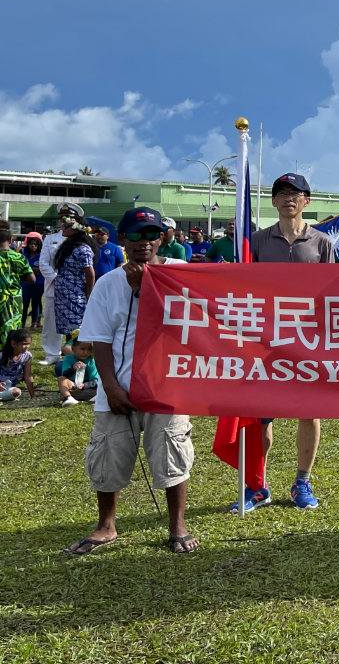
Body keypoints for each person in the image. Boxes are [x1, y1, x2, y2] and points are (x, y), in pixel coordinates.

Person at [62, 206, 198, 556]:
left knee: (172, 453)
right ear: (122, 239)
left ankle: (177, 524)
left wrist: (147, 288)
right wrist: (110, 388)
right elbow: (99, 340)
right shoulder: (108, 283)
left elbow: (197, 320)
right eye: (135, 235)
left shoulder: (182, 273)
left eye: (152, 234)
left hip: (167, 388)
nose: (144, 242)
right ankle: (106, 525)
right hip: (118, 388)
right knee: (107, 457)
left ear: (163, 238)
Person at [240, 173, 335, 513]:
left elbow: (332, 293)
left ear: (307, 201)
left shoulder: (322, 243)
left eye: (295, 193)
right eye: (281, 193)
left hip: (308, 339)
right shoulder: (256, 241)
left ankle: (302, 482)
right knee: (261, 416)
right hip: (265, 340)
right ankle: (257, 484)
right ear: (273, 202)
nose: (288, 198)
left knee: (308, 412)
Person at [53, 211, 96, 363]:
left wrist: (90, 294)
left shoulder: (83, 248)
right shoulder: (68, 245)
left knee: (76, 327)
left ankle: (80, 356)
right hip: (63, 295)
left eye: (67, 225)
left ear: (78, 228)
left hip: (75, 294)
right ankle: (71, 356)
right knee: (67, 328)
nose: (63, 228)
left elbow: (90, 273)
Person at [37, 207, 71, 362]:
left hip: (74, 286)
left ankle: (79, 353)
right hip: (54, 285)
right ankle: (52, 354)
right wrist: (56, 279)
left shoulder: (81, 238)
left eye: (69, 216)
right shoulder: (51, 239)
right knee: (51, 322)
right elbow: (43, 263)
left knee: (77, 322)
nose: (65, 220)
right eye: (62, 217)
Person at [0, 226, 36, 333]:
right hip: (14, 299)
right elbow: (32, 278)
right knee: (13, 330)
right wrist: (16, 277)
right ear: (11, 240)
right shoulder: (19, 257)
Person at [57, 336, 100, 406]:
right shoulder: (68, 359)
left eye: (89, 349)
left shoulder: (91, 361)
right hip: (73, 386)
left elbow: (95, 381)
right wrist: (73, 369)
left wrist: (84, 386)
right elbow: (65, 375)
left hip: (88, 388)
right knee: (61, 379)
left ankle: (97, 397)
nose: (85, 352)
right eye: (82, 349)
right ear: (73, 349)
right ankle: (68, 397)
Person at [0, 328, 36, 402]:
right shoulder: (2, 355)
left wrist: (33, 396)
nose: (27, 347)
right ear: (13, 344)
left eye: (28, 344)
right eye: (24, 344)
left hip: (9, 387)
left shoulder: (27, 356)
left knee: (16, 392)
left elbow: (28, 376)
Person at [21, 234, 43, 328]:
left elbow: (42, 270)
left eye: (35, 244)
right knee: (24, 303)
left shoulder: (41, 256)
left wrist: (29, 270)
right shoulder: (23, 255)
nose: (33, 246)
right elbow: (21, 269)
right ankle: (22, 323)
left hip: (38, 283)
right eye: (31, 244)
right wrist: (35, 270)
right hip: (25, 283)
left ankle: (34, 323)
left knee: (35, 303)